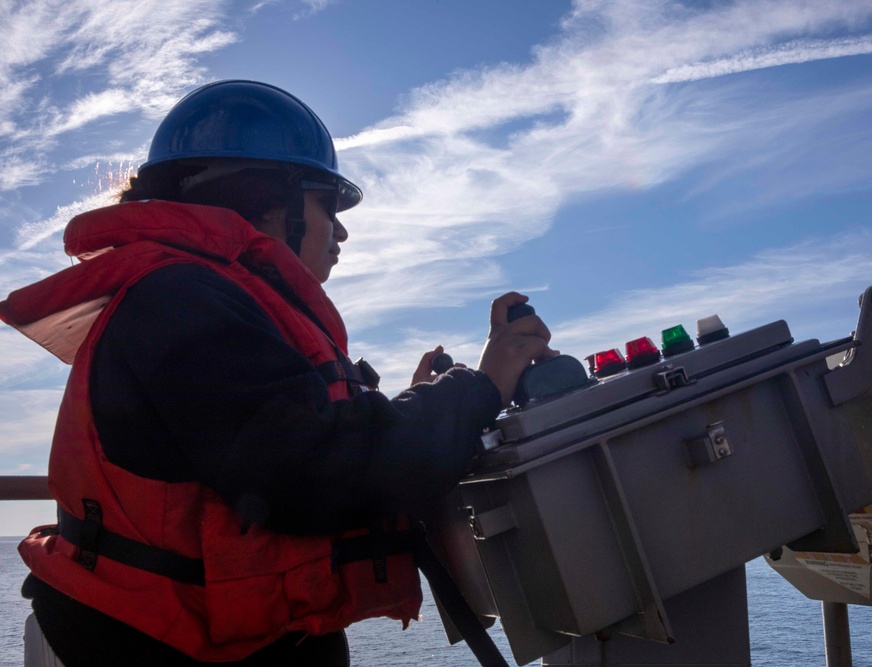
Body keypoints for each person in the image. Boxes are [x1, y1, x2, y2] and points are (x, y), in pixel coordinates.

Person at [0, 80, 555, 666]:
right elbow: (309, 471)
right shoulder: (181, 299)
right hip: (173, 645)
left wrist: (421, 402)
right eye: (326, 205)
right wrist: (479, 389)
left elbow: (288, 436)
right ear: (268, 201)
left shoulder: (203, 296)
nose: (340, 232)